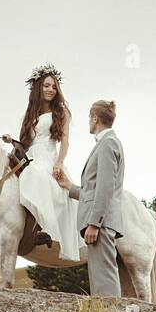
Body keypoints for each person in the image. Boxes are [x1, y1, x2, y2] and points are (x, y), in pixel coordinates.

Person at [5, 63, 79, 263]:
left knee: (35, 176)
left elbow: (65, 140)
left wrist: (59, 162)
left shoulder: (61, 113)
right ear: (38, 87)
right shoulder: (27, 117)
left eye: (54, 87)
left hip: (48, 158)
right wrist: (12, 141)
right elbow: (25, 144)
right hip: (31, 157)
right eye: (47, 85)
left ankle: (44, 227)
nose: (50, 90)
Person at [55, 99, 124, 296]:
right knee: (100, 281)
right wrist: (70, 187)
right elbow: (95, 190)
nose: (88, 122)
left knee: (105, 282)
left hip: (100, 224)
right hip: (101, 223)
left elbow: (105, 188)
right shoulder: (107, 143)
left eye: (89, 118)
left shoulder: (107, 144)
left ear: (95, 118)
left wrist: (94, 223)